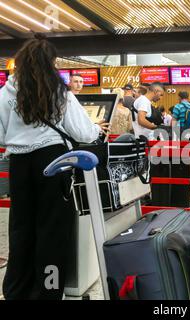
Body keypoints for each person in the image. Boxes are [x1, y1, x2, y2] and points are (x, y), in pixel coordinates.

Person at [0, 35, 110, 300]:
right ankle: (48, 291)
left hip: (20, 164)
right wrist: (97, 130)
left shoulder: (5, 93)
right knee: (52, 230)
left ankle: (16, 291)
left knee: (21, 227)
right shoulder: (59, 91)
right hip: (55, 162)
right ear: (50, 62)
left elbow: (1, 135)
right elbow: (83, 132)